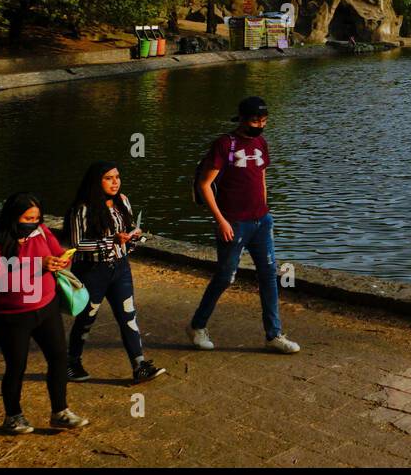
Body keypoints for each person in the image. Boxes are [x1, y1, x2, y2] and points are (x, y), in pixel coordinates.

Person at [188, 96, 300, 353]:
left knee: (269, 276)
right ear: (241, 118)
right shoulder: (224, 145)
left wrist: (265, 209)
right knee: (226, 277)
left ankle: (273, 334)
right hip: (234, 223)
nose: (259, 125)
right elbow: (204, 185)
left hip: (262, 221)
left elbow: (261, 177)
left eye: (263, 121)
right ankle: (197, 325)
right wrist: (221, 220)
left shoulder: (261, 142)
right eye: (254, 120)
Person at [0, 193, 89, 434]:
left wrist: (61, 260)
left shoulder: (41, 232)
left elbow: (57, 252)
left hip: (46, 307)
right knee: (16, 365)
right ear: (12, 217)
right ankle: (13, 415)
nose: (33, 222)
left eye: (37, 217)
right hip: (12, 315)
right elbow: (1, 281)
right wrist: (38, 265)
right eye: (28, 217)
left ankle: (60, 412)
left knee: (59, 357)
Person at [63, 162, 166, 384]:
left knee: (128, 316)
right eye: (108, 178)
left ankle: (139, 365)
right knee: (86, 318)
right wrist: (111, 241)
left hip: (120, 268)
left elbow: (126, 235)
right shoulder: (81, 208)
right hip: (91, 271)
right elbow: (77, 244)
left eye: (117, 177)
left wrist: (134, 238)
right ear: (95, 181)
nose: (115, 182)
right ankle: (72, 362)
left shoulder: (123, 201)